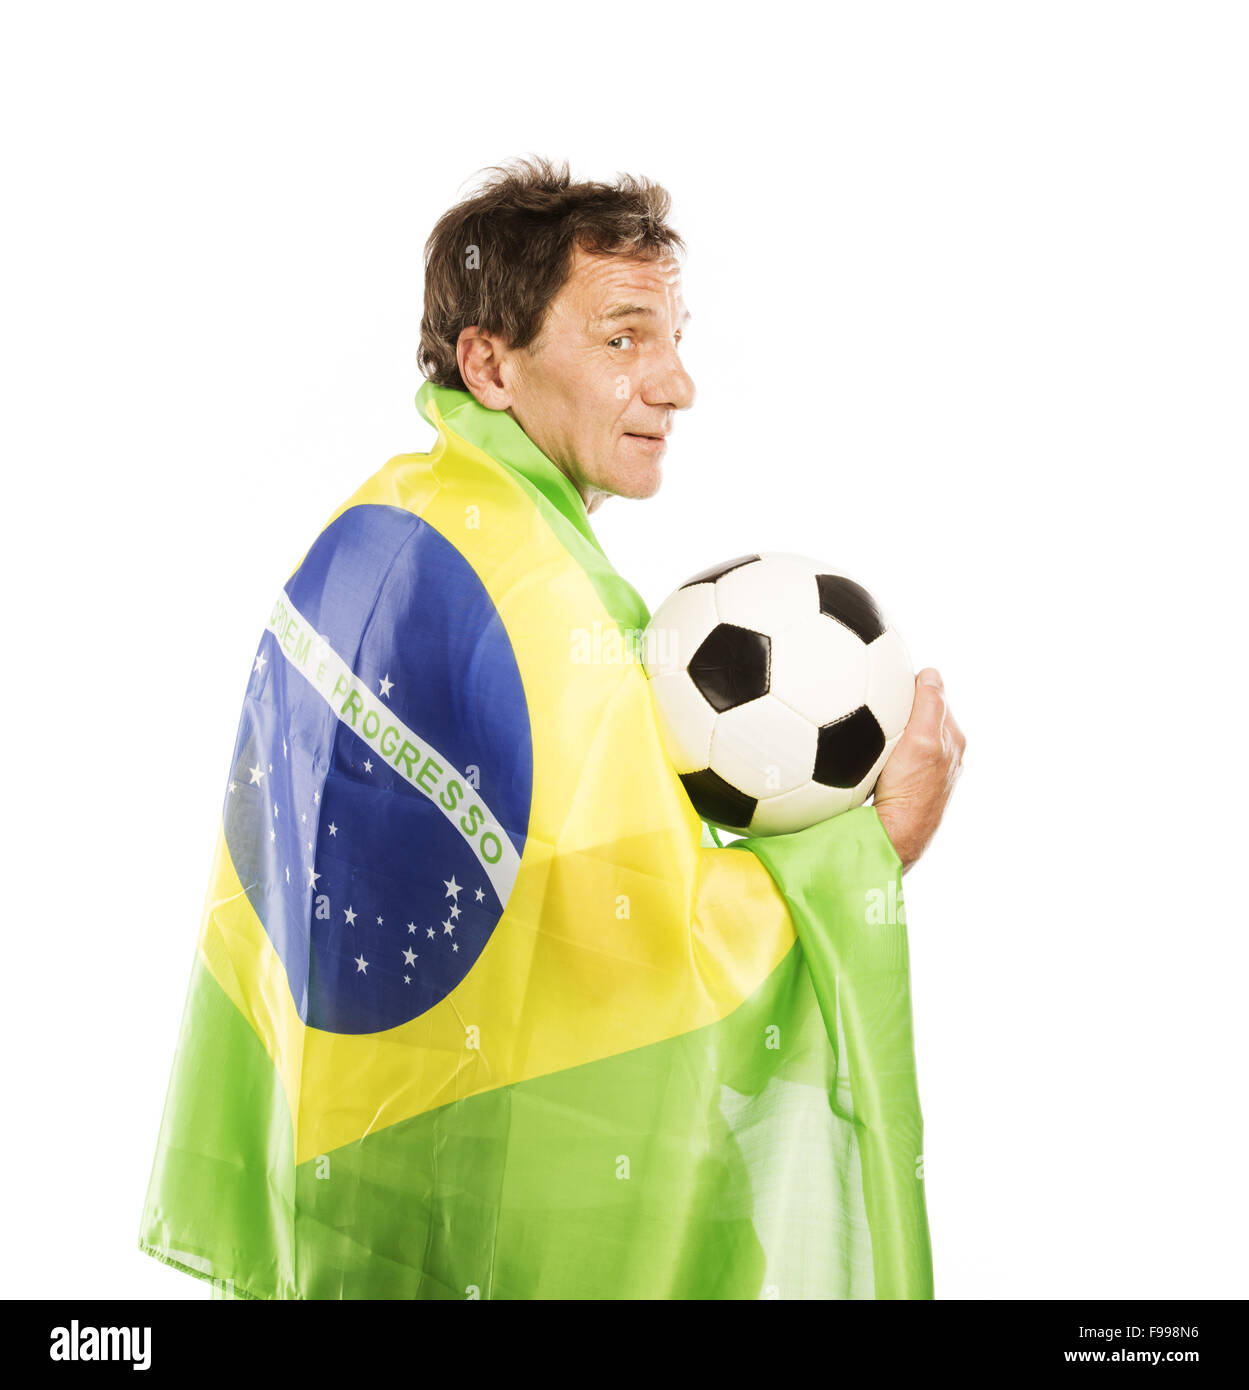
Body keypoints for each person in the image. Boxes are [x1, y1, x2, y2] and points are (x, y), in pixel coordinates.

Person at [141, 158, 964, 1300]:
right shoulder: (530, 589)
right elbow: (654, 948)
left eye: (676, 336)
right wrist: (874, 846)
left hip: (359, 1189)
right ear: (489, 361)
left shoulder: (383, 521)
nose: (675, 384)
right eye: (624, 339)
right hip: (490, 1230)